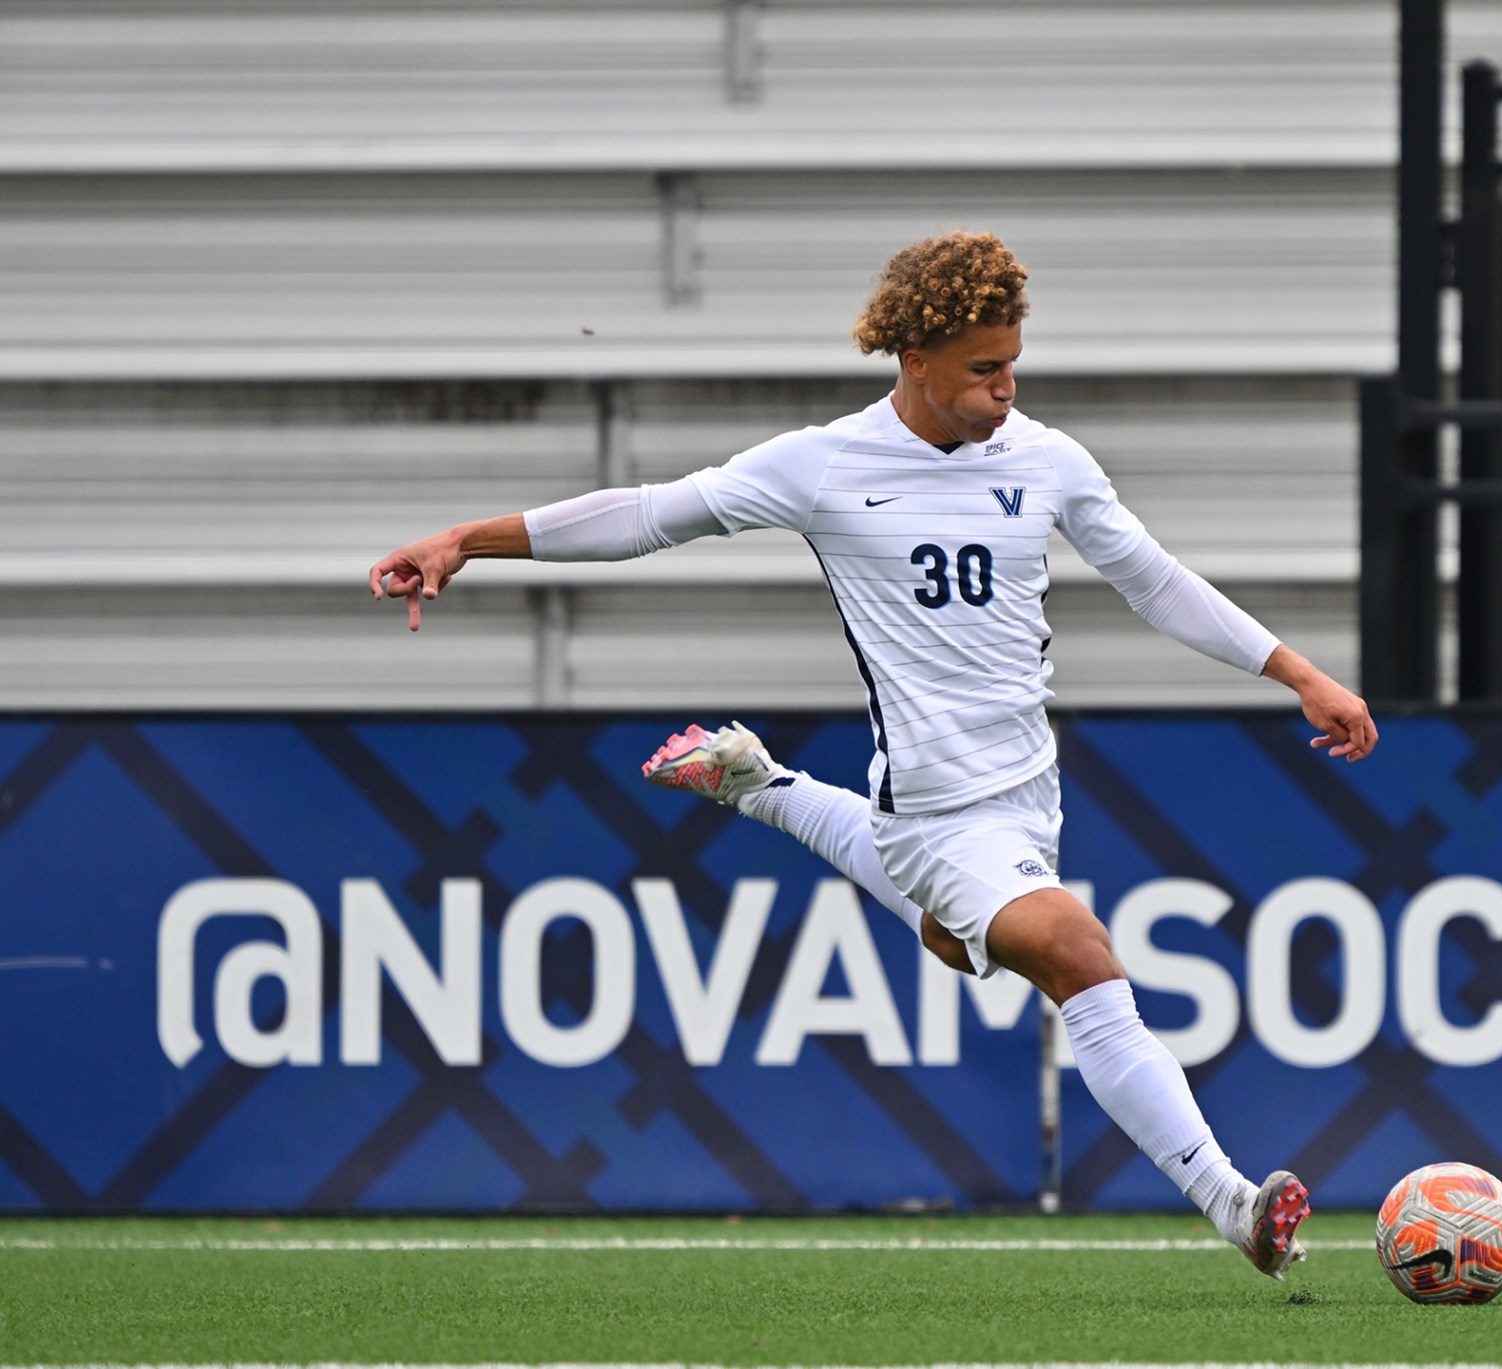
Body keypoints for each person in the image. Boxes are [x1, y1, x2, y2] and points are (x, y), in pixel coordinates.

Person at [368, 230, 1378, 1280]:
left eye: (1013, 364)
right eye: (984, 370)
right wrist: (465, 542)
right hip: (936, 811)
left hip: (1031, 798)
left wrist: (1299, 673)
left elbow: (1156, 580)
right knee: (1077, 952)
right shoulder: (827, 465)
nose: (1005, 388)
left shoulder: (1048, 462)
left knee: (955, 944)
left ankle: (769, 788)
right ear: (917, 360)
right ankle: (1231, 1200)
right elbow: (647, 514)